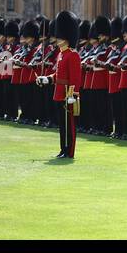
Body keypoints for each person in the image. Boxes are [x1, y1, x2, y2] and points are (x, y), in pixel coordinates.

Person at [41, 10, 82, 160]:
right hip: (59, 92)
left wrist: (73, 95)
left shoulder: (73, 54)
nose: (57, 39)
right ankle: (62, 149)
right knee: (62, 125)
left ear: (67, 37)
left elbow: (75, 78)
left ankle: (69, 151)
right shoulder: (61, 54)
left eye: (60, 36)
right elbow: (59, 75)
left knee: (69, 125)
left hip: (67, 94)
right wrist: (48, 79)